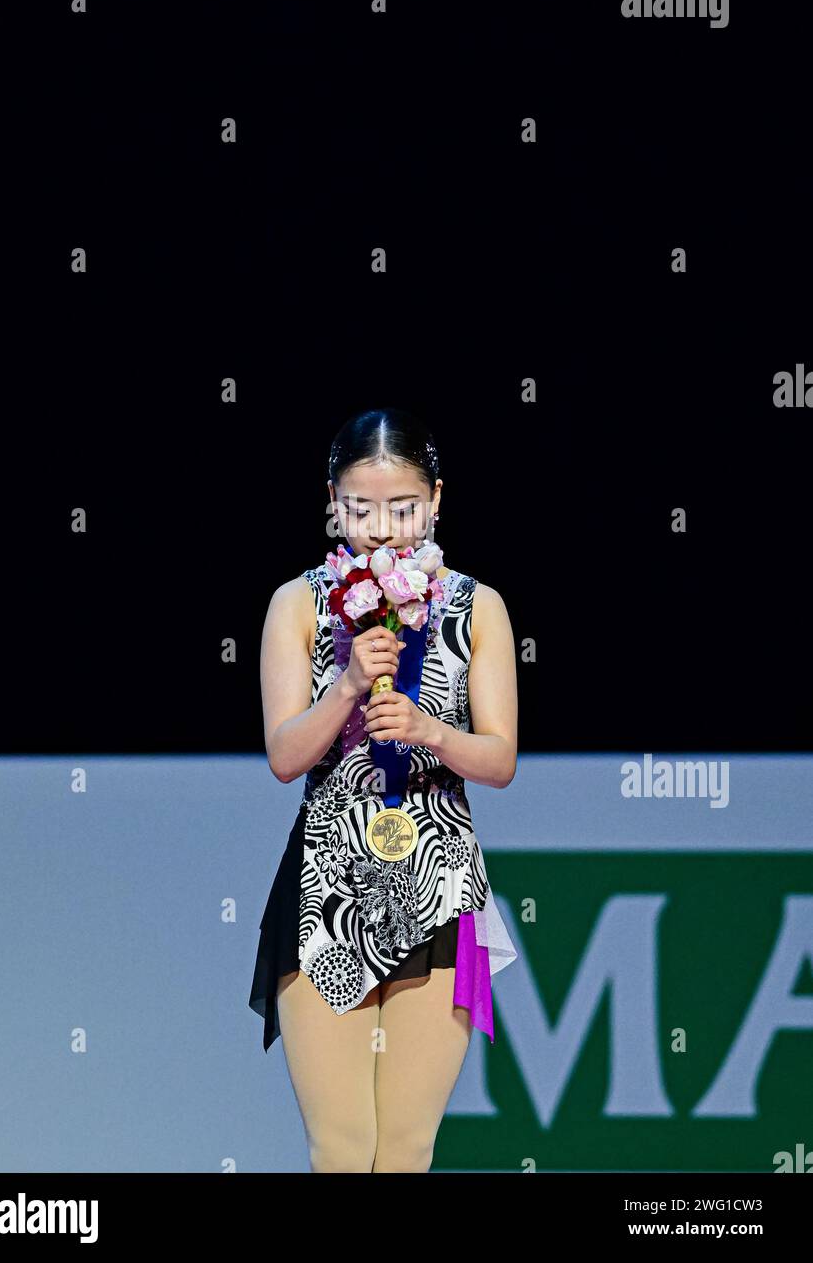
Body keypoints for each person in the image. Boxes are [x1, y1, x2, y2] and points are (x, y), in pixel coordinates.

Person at [249, 406, 518, 1172]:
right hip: (326, 889)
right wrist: (344, 690)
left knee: (404, 1150)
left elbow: (498, 759)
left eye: (403, 508)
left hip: (440, 886)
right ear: (332, 502)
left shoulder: (478, 606)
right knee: (342, 1149)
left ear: (436, 499)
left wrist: (430, 729)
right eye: (360, 508)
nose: (382, 529)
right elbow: (283, 755)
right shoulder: (298, 605)